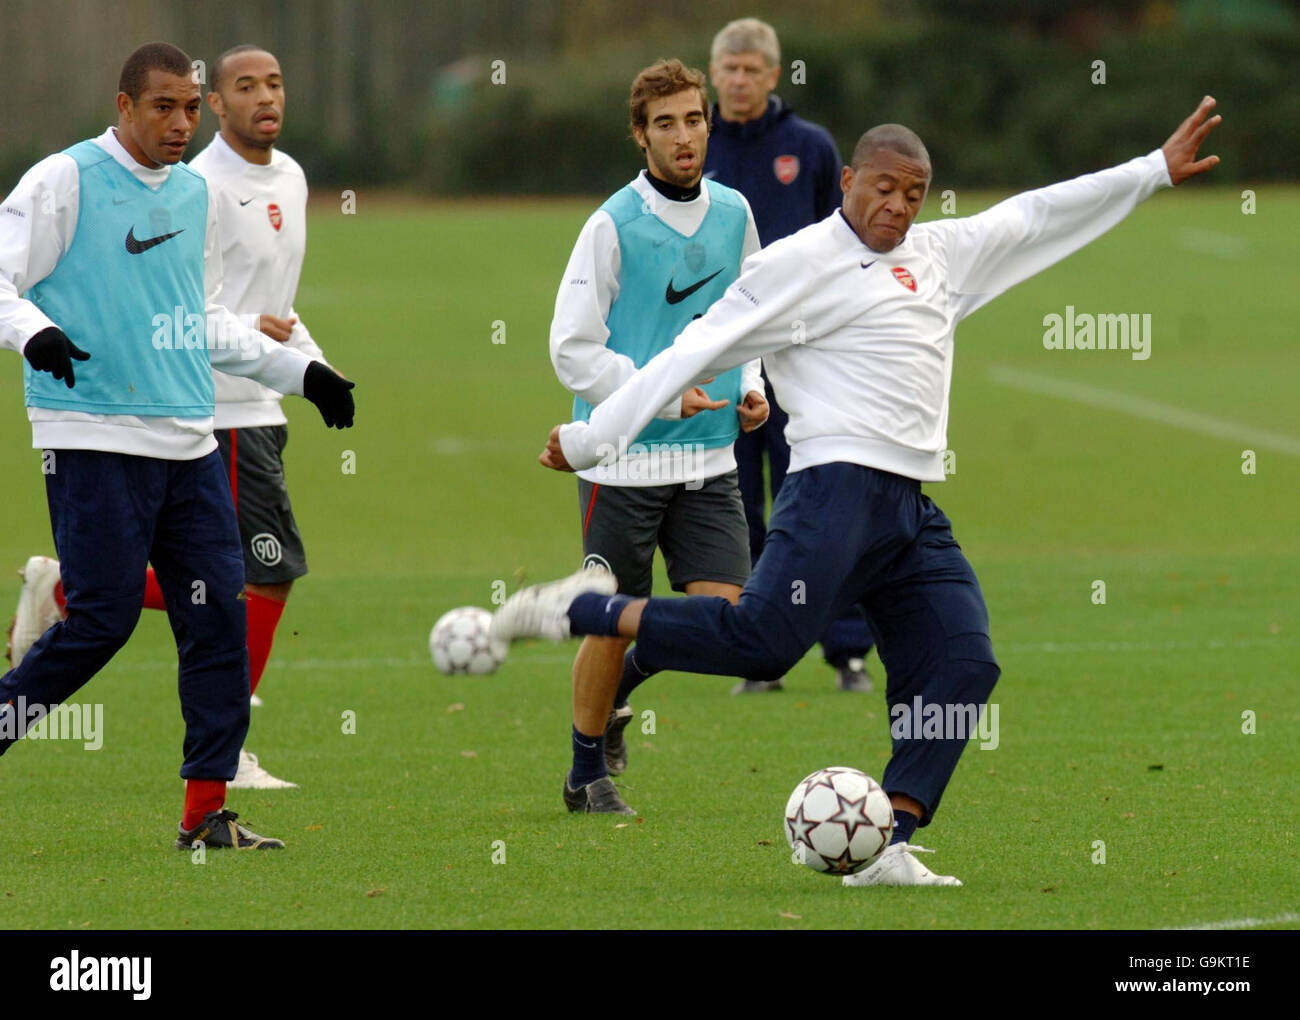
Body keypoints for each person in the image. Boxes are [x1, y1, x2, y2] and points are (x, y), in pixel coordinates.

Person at [494, 98, 1222, 884]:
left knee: (963, 663)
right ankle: (579, 609)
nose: (897, 206)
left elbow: (1037, 215)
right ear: (847, 181)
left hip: (908, 507)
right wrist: (592, 438)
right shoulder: (798, 264)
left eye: (913, 193)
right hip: (832, 489)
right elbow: (689, 351)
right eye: (883, 188)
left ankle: (893, 843)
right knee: (765, 643)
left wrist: (1152, 170)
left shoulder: (941, 254)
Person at [0, 42, 356, 850]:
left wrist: (306, 372)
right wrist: (36, 333)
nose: (181, 122)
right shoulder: (65, 180)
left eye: (191, 107)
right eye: (164, 106)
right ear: (124, 105)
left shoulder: (195, 193)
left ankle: (206, 817)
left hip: (189, 437)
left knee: (219, 621)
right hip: (93, 435)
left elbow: (202, 320)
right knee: (101, 622)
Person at [549, 58, 767, 814]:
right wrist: (663, 399)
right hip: (622, 462)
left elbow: (753, 319)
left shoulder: (737, 214)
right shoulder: (612, 224)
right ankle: (585, 773)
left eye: (694, 119)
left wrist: (756, 391)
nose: (684, 136)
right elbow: (570, 350)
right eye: (666, 123)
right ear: (639, 135)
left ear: (710, 124)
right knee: (608, 624)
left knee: (727, 620)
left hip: (710, 461)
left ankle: (617, 695)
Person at [705, 17, 875, 694]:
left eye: (753, 70)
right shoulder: (695, 146)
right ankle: (759, 655)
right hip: (727, 354)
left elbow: (848, 241)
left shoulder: (809, 149)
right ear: (713, 73)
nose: (740, 80)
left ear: (774, 76)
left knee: (822, 498)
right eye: (730, 69)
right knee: (738, 504)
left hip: (805, 356)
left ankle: (848, 650)